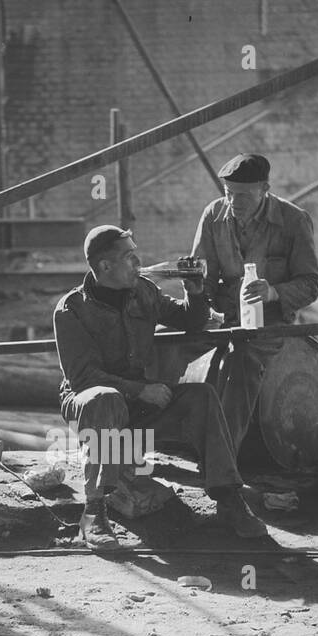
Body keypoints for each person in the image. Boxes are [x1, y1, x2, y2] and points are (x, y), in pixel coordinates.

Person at [54, 225, 269, 550]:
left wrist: (194, 292)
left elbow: (189, 320)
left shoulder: (144, 291)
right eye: (129, 257)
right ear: (104, 267)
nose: (138, 262)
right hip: (89, 404)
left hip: (137, 404)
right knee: (105, 398)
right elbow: (84, 378)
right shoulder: (71, 310)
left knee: (202, 398)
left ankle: (228, 498)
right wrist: (140, 390)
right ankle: (94, 511)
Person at [191, 153, 318, 454]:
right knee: (165, 340)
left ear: (265, 188)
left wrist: (274, 292)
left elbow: (312, 284)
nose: (234, 202)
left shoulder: (293, 220)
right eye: (229, 193)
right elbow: (204, 276)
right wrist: (204, 305)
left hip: (270, 322)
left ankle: (221, 460)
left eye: (244, 195)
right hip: (223, 317)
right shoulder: (213, 215)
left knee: (242, 359)